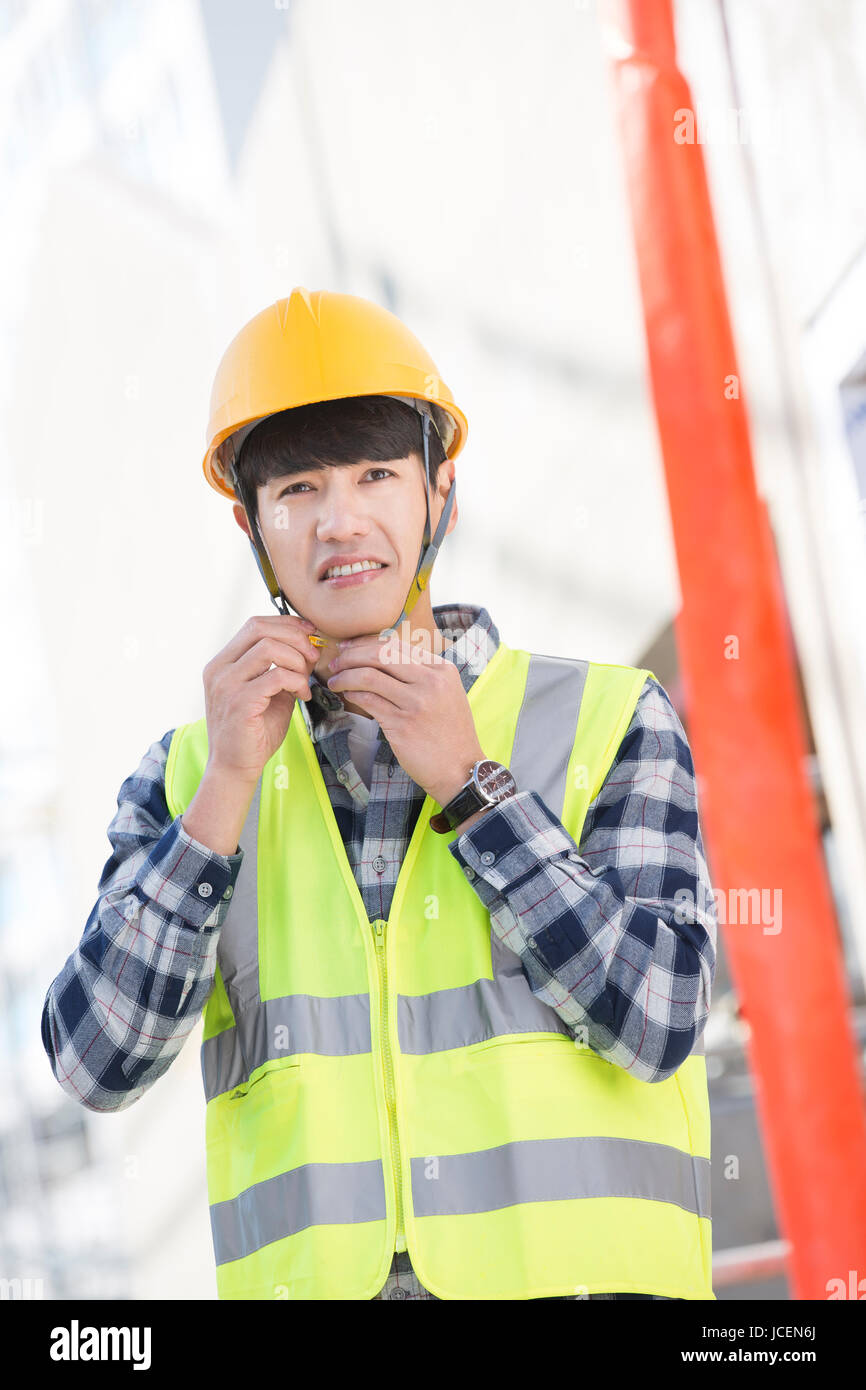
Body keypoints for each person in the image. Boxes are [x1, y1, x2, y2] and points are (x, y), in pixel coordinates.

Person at [42, 287, 718, 1301]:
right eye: (299, 490)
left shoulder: (609, 718)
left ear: (439, 490)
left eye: (374, 475)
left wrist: (471, 785)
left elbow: (658, 1018)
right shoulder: (185, 775)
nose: (340, 522)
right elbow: (97, 1063)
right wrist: (225, 789)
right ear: (251, 523)